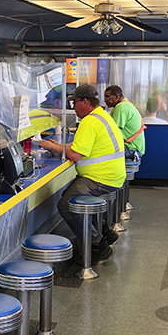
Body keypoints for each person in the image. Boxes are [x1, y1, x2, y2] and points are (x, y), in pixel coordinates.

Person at [39, 83, 125, 263]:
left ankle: (97, 244)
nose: (73, 107)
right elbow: (81, 147)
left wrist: (52, 146)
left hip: (101, 178)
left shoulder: (90, 121)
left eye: (74, 103)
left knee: (66, 204)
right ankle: (105, 232)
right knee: (71, 196)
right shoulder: (101, 116)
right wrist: (59, 146)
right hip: (110, 174)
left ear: (85, 101)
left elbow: (76, 155)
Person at [103, 85, 145, 162]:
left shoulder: (121, 107)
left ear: (116, 96)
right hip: (132, 148)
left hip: (130, 149)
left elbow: (112, 132)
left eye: (107, 97)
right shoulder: (123, 105)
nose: (105, 100)